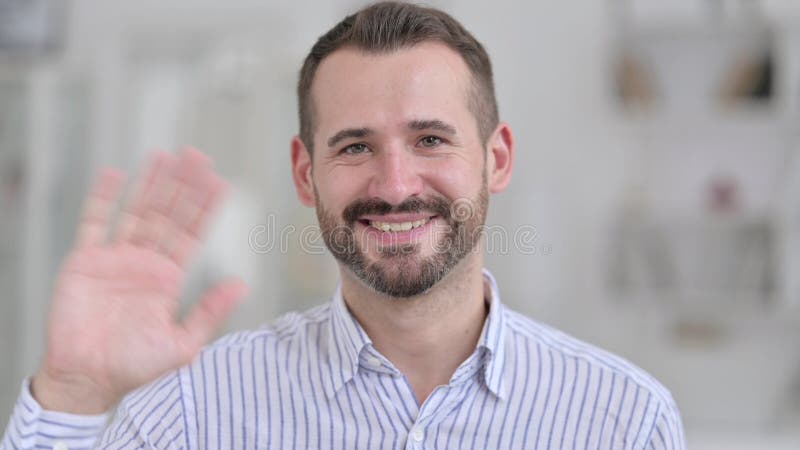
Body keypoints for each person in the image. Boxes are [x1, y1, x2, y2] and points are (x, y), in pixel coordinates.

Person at [1, 2, 686, 449]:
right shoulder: (191, 411)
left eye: (430, 140)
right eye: (355, 146)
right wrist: (75, 392)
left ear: (496, 158)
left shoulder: (622, 419)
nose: (393, 187)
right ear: (305, 173)